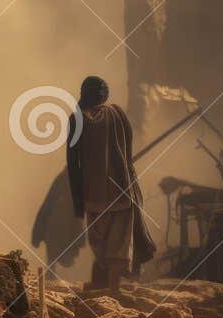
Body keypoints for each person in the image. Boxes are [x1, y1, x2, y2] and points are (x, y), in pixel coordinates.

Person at [66, 76, 156, 291]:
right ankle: (112, 289)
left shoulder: (76, 119)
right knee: (119, 244)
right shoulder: (117, 115)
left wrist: (78, 199)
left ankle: (106, 288)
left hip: (93, 195)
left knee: (101, 243)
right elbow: (127, 152)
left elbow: (72, 163)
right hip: (121, 191)